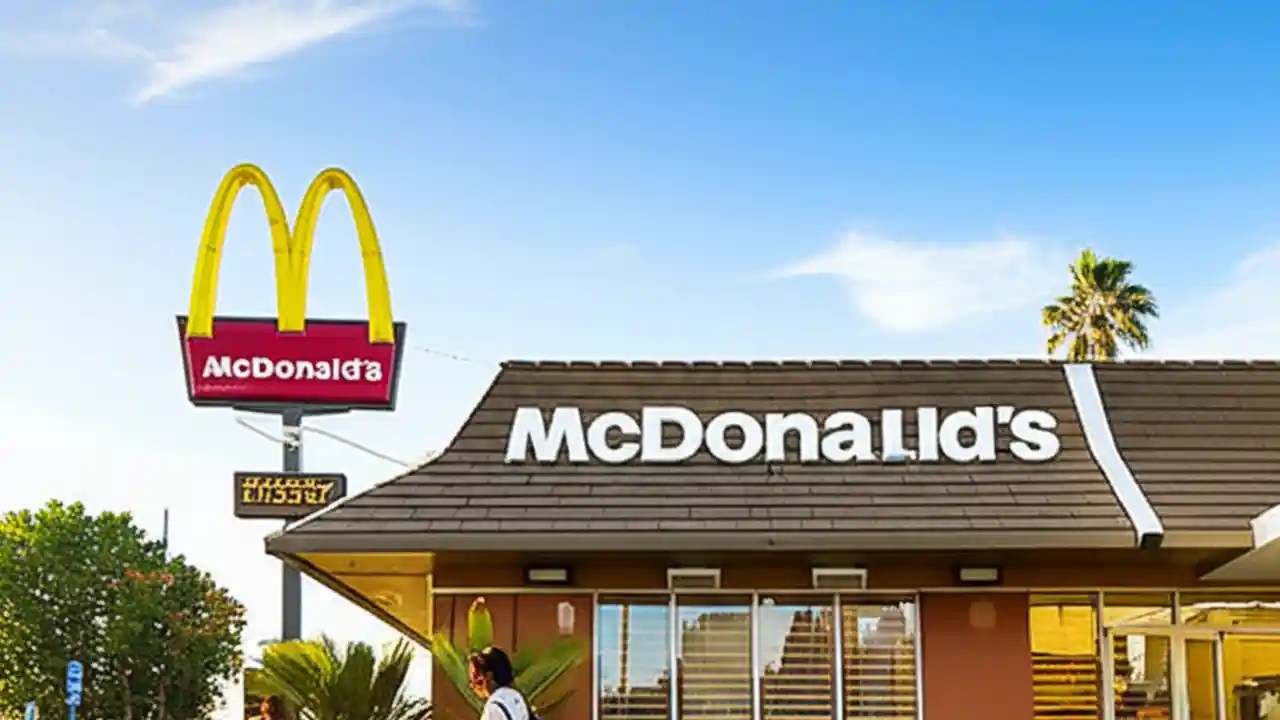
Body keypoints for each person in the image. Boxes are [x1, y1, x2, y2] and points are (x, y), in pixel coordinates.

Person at [468, 646, 531, 720]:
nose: (472, 685)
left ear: (488, 676)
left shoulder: (494, 709)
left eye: (475, 677)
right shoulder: (518, 698)